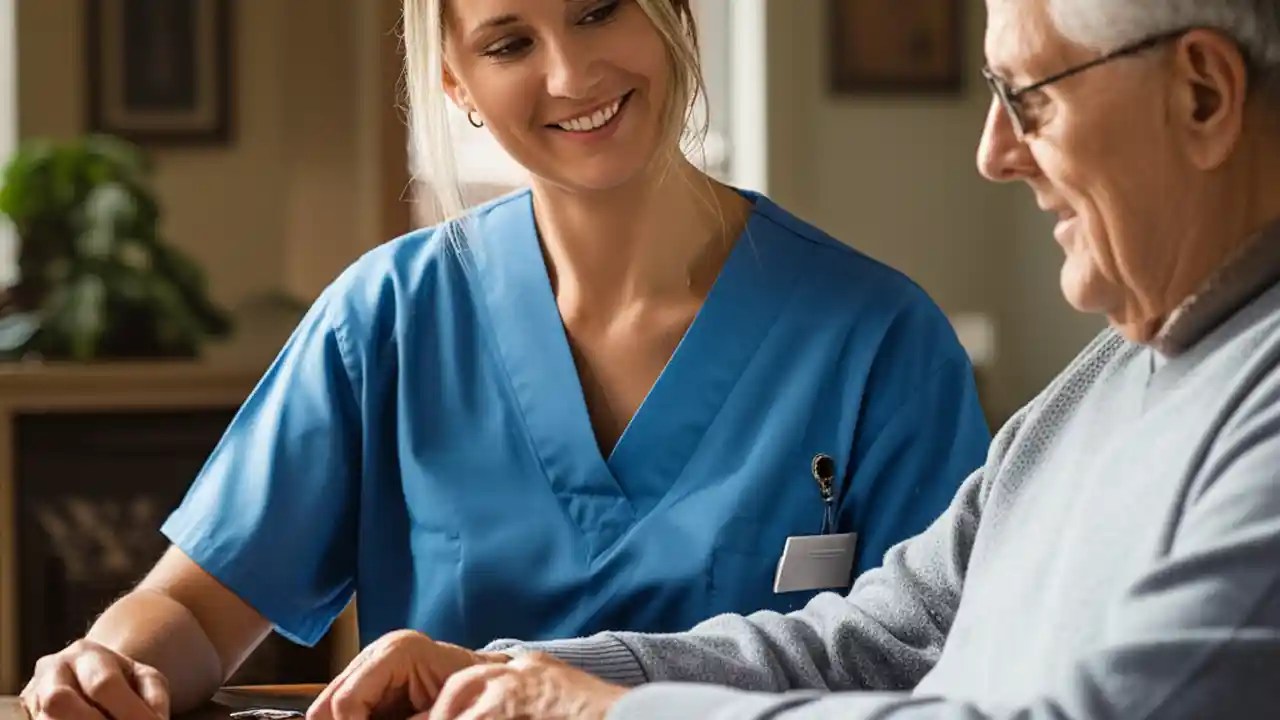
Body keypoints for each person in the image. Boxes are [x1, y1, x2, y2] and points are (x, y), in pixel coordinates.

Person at [297, 0, 1280, 718]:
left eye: (1028, 96)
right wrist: (524, 674)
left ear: (1200, 94)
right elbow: (882, 637)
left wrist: (602, 716)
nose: (992, 151)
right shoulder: (1098, 388)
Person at [17, 0, 991, 718]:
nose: (568, 75)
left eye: (599, 11)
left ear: (675, 16)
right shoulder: (387, 318)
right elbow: (191, 610)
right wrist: (109, 666)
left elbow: (943, 664)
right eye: (508, 43)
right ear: (456, 81)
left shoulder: (878, 342)